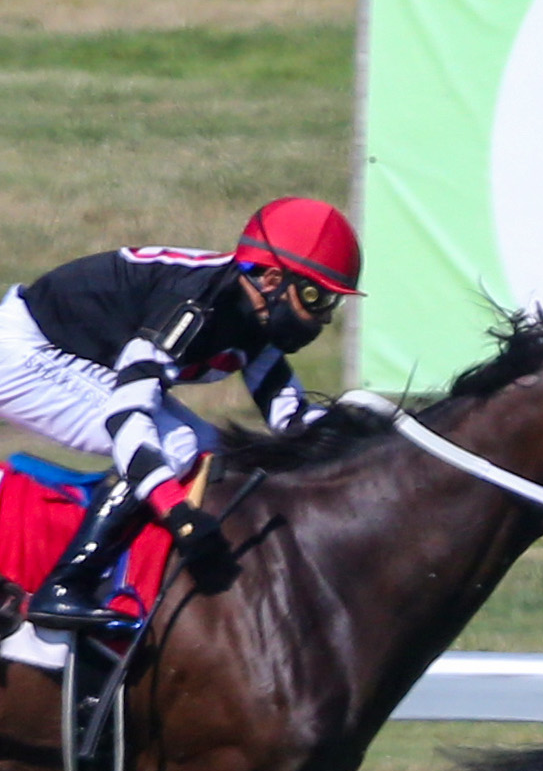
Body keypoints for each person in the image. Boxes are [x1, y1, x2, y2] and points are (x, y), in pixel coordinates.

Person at [6, 198, 361, 626]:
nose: (324, 318)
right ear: (272, 279)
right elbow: (126, 416)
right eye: (316, 297)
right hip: (23, 352)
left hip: (75, 353)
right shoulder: (193, 306)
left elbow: (294, 422)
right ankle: (66, 585)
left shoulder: (255, 313)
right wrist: (176, 511)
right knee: (176, 445)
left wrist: (380, 436)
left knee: (219, 455)